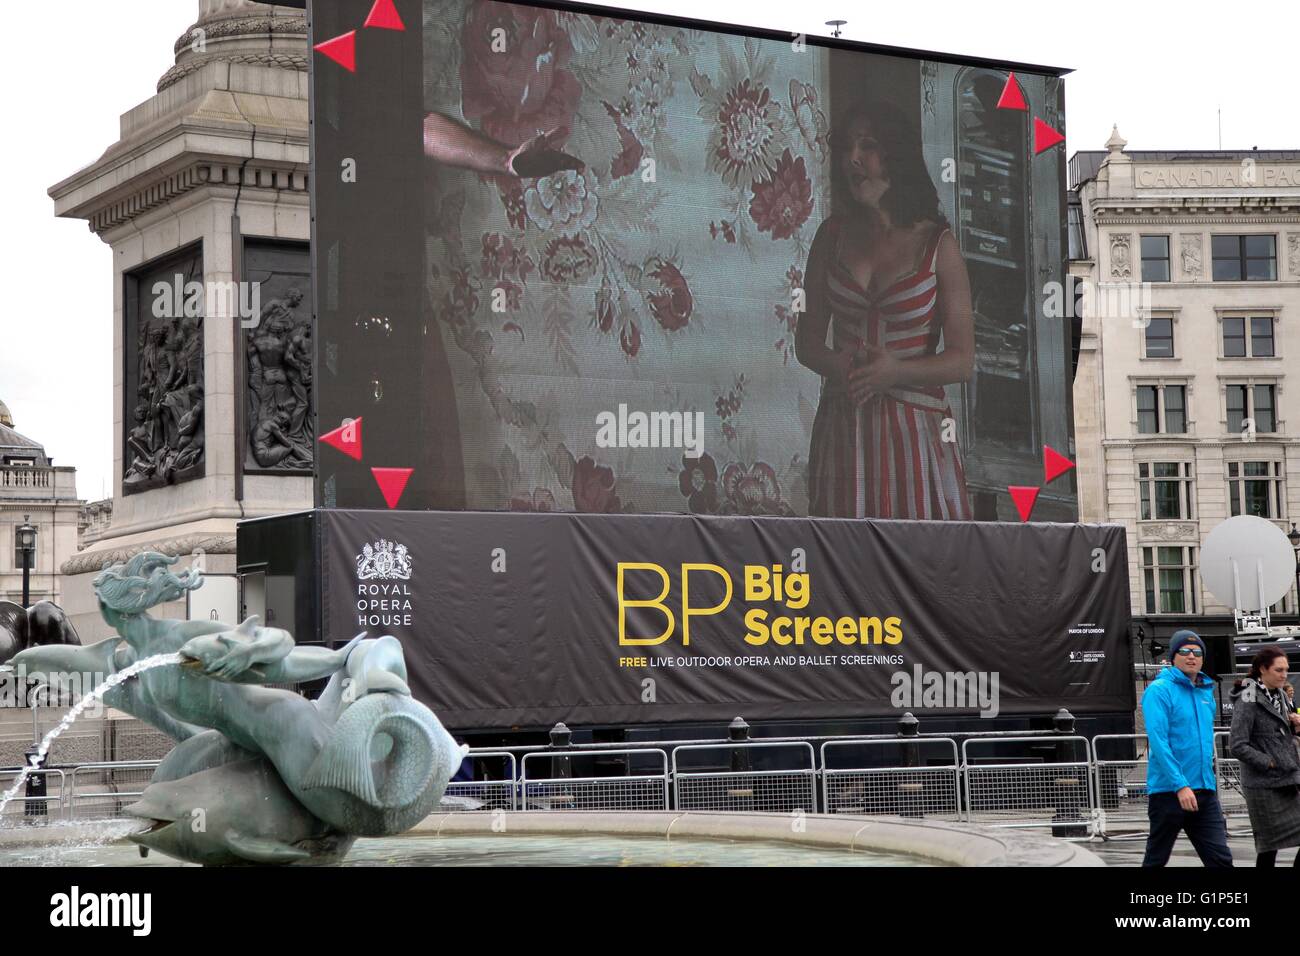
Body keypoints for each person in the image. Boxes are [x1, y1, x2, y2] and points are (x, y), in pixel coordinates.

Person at [796, 100, 974, 520]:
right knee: (841, 572)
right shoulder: (830, 236)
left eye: (867, 146)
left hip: (916, 439)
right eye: (846, 148)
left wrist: (895, 371)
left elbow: (963, 360)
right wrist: (844, 367)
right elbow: (806, 343)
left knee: (919, 570)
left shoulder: (939, 246)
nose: (851, 159)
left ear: (896, 154)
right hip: (845, 431)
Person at [1141, 628, 1233, 866]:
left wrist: (1208, 783)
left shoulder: (1206, 692)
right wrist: (1180, 785)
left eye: (1197, 652)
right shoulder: (1159, 691)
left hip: (1204, 791)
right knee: (1156, 860)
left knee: (1221, 860)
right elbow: (1159, 742)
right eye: (1184, 651)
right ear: (1173, 656)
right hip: (1169, 793)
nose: (1191, 656)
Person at [1229, 647, 1300, 866]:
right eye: (1278, 670)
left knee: (1271, 848)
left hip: (1287, 777)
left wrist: (1294, 726)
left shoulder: (1279, 694)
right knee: (1269, 849)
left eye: (1286, 670)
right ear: (1263, 669)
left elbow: (1277, 731)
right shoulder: (1249, 696)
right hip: (1263, 785)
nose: (1284, 674)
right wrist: (1268, 762)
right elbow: (1237, 745)